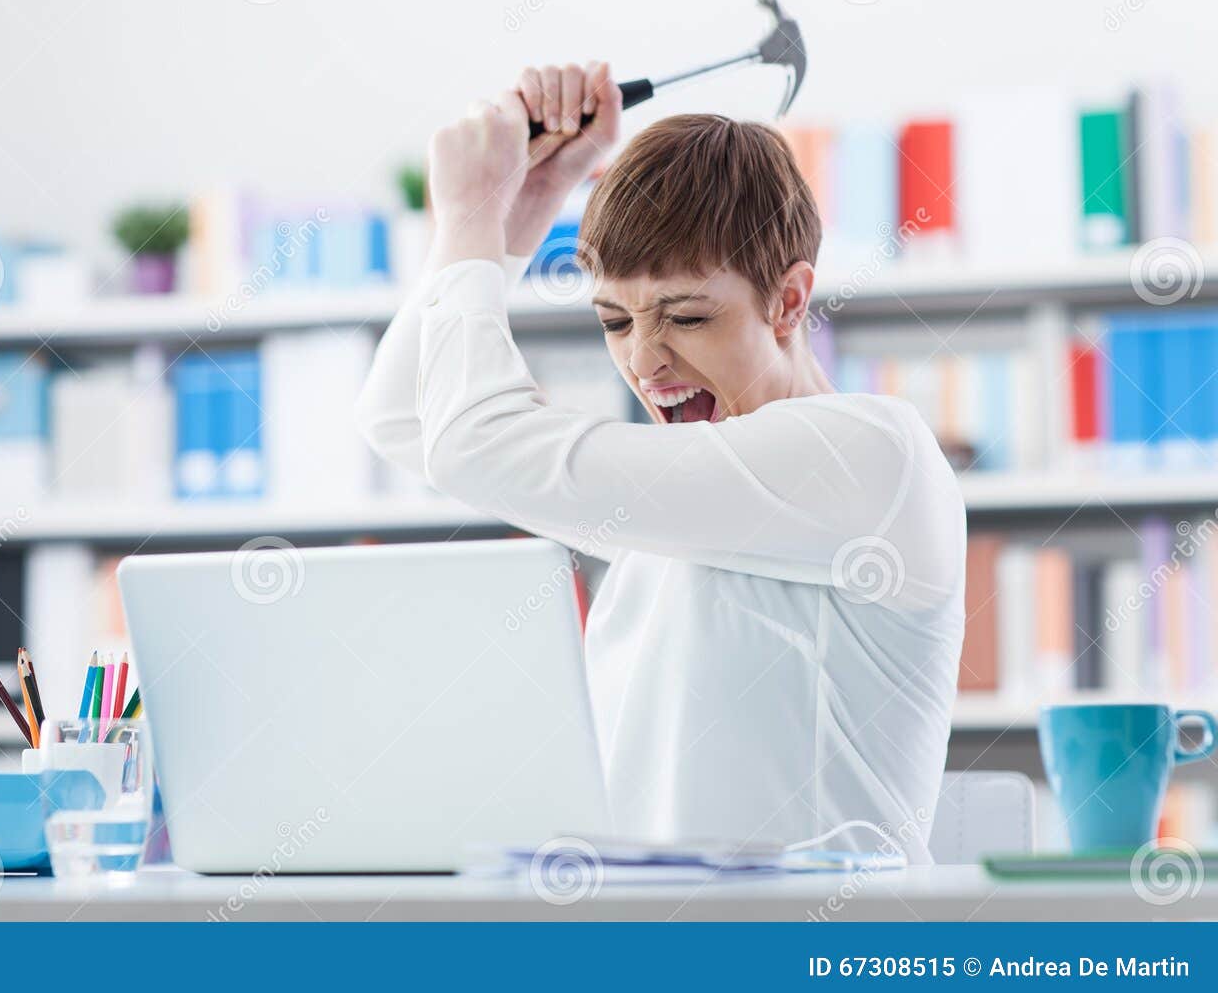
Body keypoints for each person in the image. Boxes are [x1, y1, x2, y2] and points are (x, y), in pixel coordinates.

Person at [354, 62, 966, 861]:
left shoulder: (868, 455)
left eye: (686, 316)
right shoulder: (681, 513)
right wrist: (524, 210)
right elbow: (405, 417)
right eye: (615, 321)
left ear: (788, 301)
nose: (644, 362)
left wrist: (470, 217)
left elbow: (472, 444)